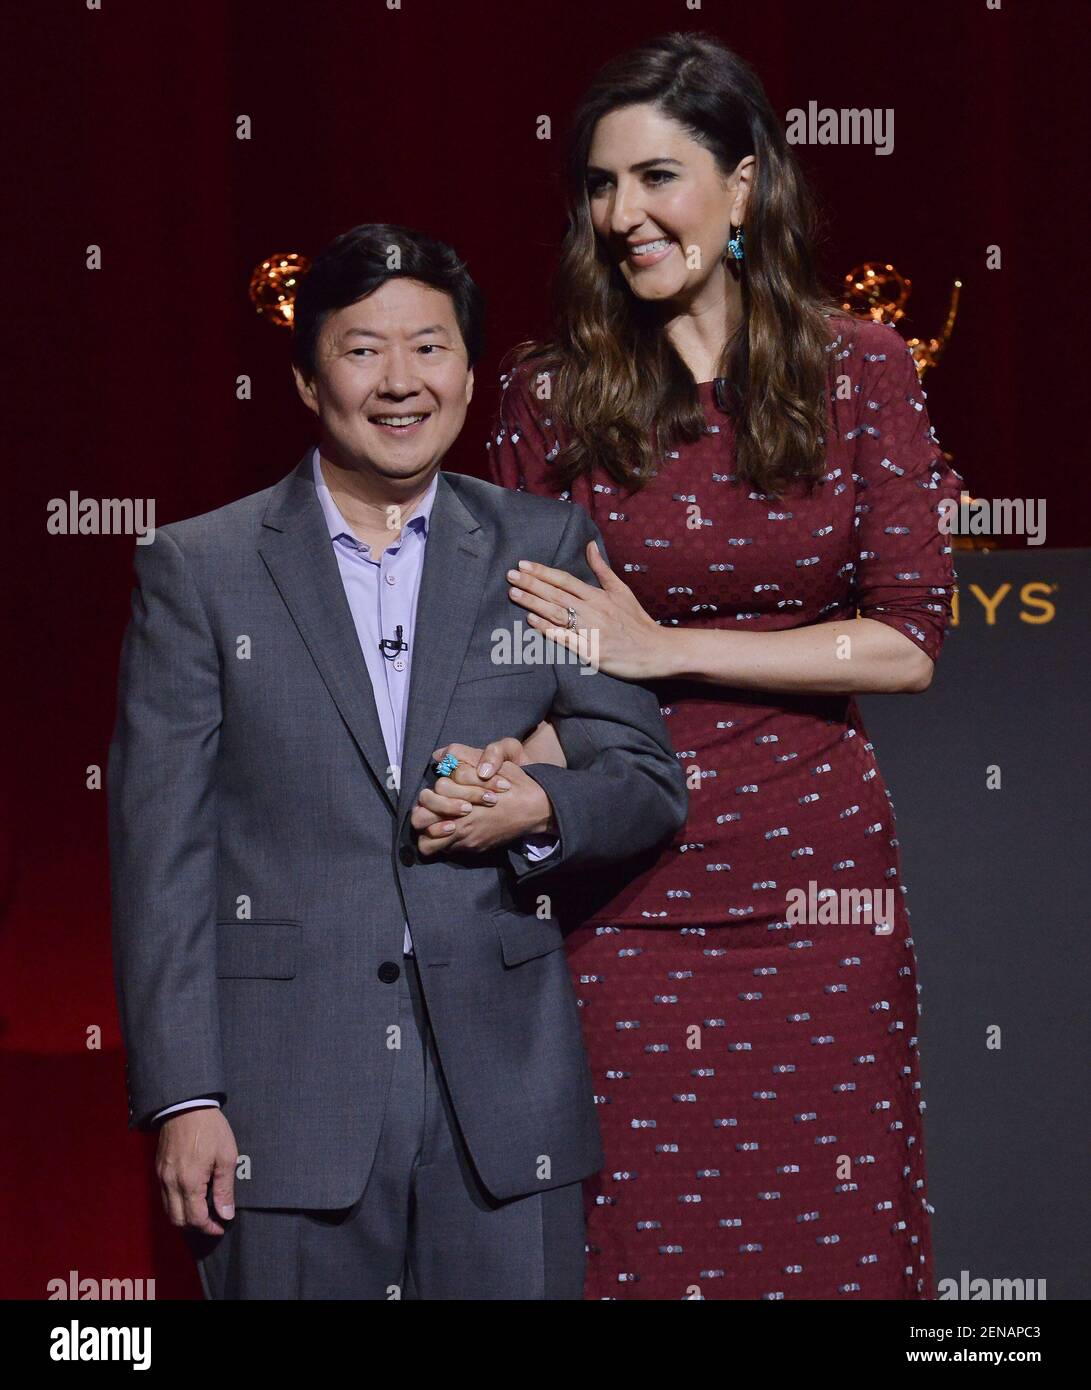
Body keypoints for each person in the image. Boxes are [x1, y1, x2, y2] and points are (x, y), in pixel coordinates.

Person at [107, 222, 687, 1300]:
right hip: (281, 1103)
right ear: (302, 376)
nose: (399, 381)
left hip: (504, 1108)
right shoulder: (200, 567)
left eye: (428, 347)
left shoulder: (540, 543)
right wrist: (185, 1095)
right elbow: (161, 854)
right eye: (361, 348)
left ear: (468, 373)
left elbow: (642, 777)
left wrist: (535, 806)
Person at [484, 32, 962, 1300]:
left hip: (816, 893)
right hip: (621, 882)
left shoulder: (860, 368)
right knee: (636, 1246)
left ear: (743, 187)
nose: (622, 214)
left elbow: (908, 640)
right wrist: (506, 767)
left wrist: (661, 646)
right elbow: (513, 648)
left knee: (835, 1243)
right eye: (599, 185)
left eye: (655, 177)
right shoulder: (549, 393)